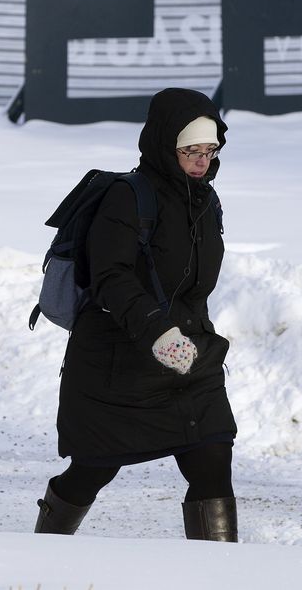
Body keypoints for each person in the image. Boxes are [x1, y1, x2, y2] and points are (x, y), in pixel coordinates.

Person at [34, 87, 238, 542]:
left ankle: (224, 575)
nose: (202, 162)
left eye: (210, 151)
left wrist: (189, 337)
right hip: (118, 364)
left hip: (189, 360)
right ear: (165, 145)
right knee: (93, 469)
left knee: (212, 459)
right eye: (191, 151)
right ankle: (44, 551)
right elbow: (111, 278)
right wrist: (158, 332)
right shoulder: (127, 198)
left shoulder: (205, 202)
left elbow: (190, 286)